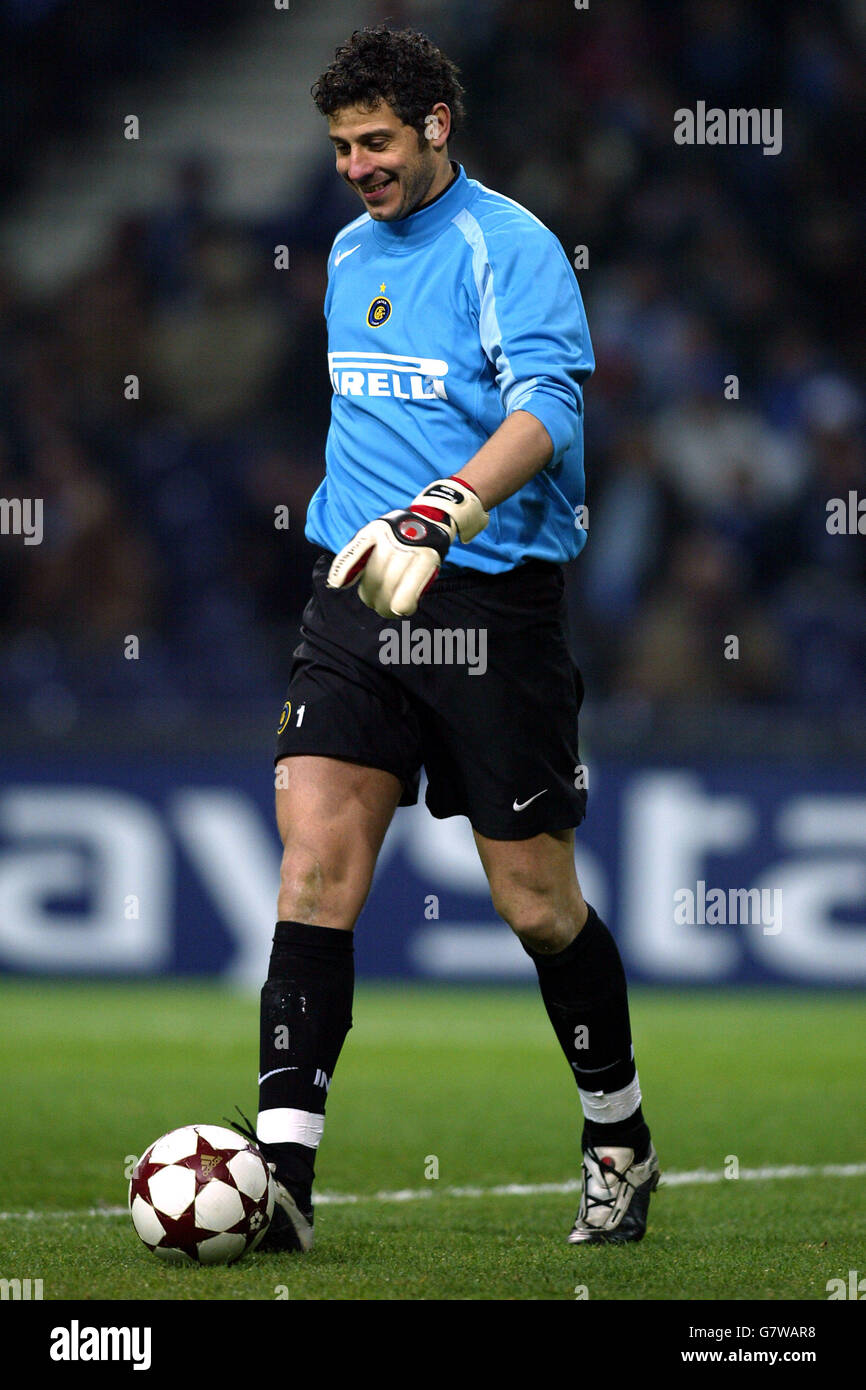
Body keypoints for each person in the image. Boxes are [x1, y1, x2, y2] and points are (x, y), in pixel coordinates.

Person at [231, 24, 659, 1252]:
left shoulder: (508, 245)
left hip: (488, 608)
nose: (355, 166)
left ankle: (616, 1139)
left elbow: (547, 409)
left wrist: (443, 507)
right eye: (338, 147)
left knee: (536, 906)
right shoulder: (351, 249)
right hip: (356, 596)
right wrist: (375, 534)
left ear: (434, 126)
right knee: (314, 864)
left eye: (374, 141)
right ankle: (282, 1179)